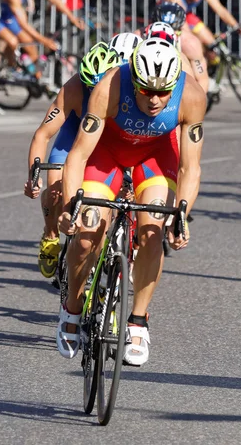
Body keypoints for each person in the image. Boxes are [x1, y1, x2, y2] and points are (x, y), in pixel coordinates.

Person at [56, 38, 206, 364]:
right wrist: (70, 207)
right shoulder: (109, 87)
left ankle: (138, 320)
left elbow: (190, 167)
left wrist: (181, 214)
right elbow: (78, 155)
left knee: (152, 232)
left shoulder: (192, 96)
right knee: (86, 236)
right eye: (146, 90)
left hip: (154, 157)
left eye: (164, 92)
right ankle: (73, 306)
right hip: (107, 154)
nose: (155, 100)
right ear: (133, 78)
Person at [24, 43, 121, 278]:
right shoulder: (74, 89)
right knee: (56, 190)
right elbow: (42, 135)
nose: (94, 93)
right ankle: (50, 235)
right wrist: (33, 176)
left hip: (108, 143)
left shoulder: (122, 89)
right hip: (72, 138)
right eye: (90, 87)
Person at [150, 1, 209, 93]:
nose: (166, 36)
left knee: (184, 63)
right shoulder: (139, 36)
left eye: (174, 32)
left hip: (181, 86)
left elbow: (202, 79)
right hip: (149, 83)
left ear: (181, 29)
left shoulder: (190, 43)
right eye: (159, 32)